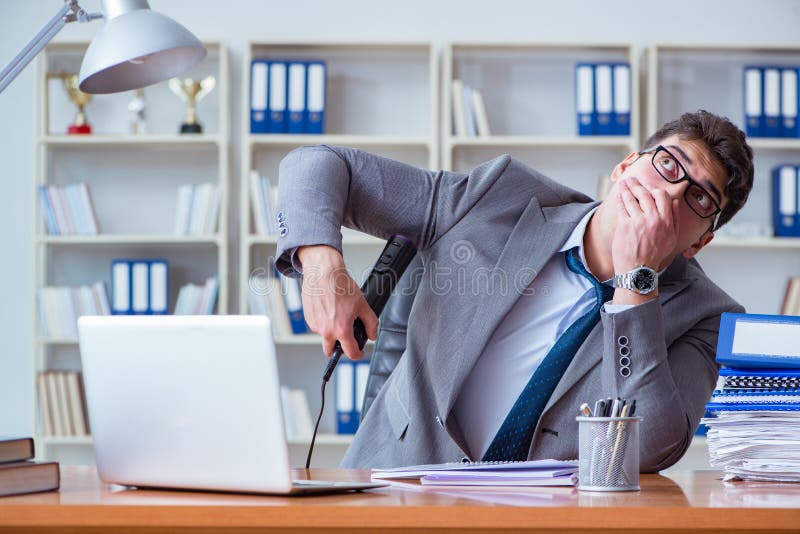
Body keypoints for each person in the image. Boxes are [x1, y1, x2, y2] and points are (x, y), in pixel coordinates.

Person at [274, 110, 754, 470]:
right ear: (625, 166)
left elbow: (651, 449)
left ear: (700, 242)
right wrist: (321, 266)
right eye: (670, 164)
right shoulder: (499, 196)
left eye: (699, 196)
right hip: (395, 482)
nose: (670, 194)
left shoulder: (709, 317)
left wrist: (637, 283)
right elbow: (316, 164)